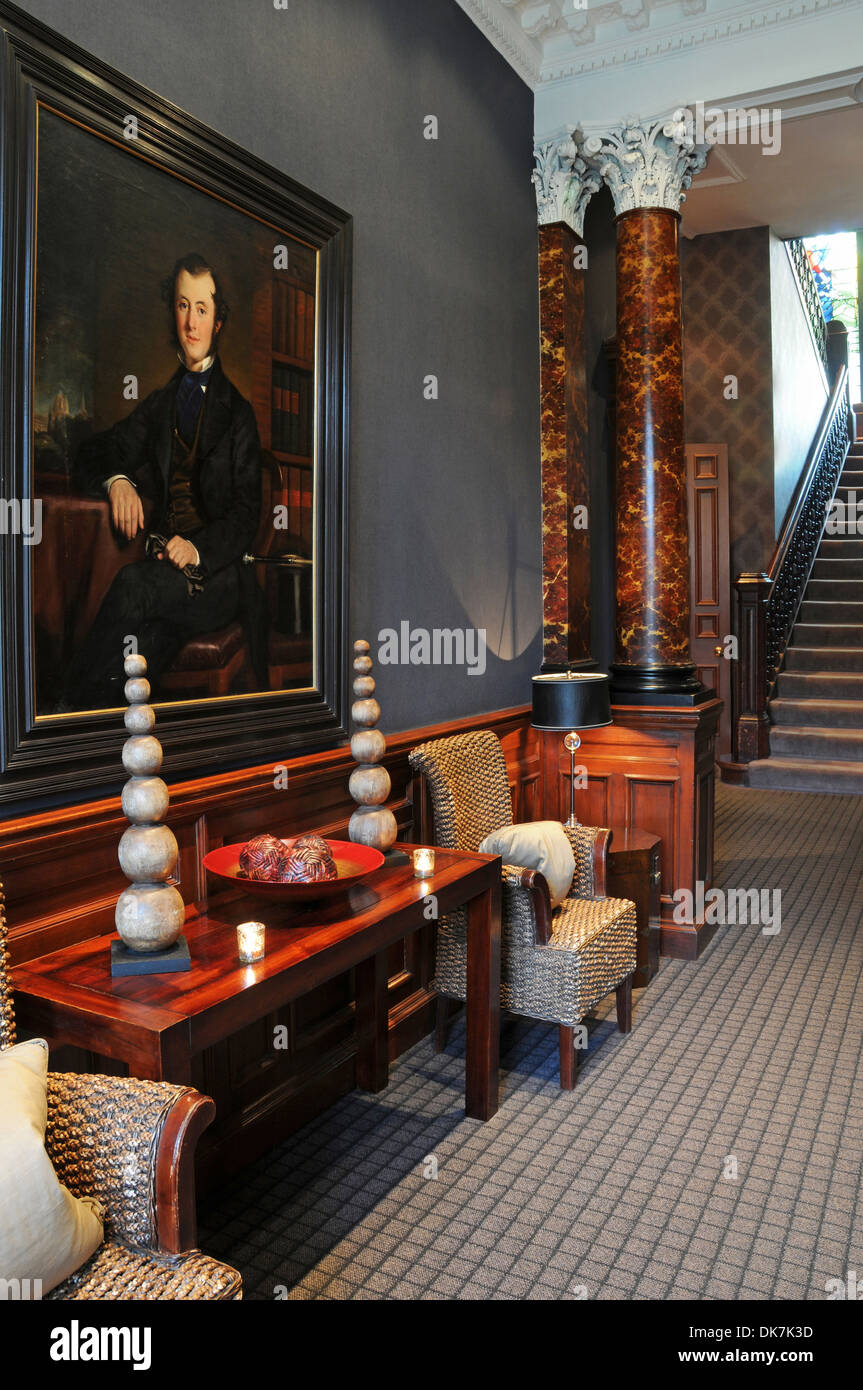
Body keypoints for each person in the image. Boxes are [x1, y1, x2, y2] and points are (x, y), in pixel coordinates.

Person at [60, 253, 262, 710]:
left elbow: (247, 514)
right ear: (173, 313)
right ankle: (77, 742)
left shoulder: (240, 415)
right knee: (144, 646)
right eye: (182, 305)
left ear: (218, 323)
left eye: (203, 309)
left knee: (133, 586)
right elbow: (94, 450)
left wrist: (198, 549)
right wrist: (117, 481)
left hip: (221, 576)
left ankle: (56, 720)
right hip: (169, 575)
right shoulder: (160, 404)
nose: (191, 321)